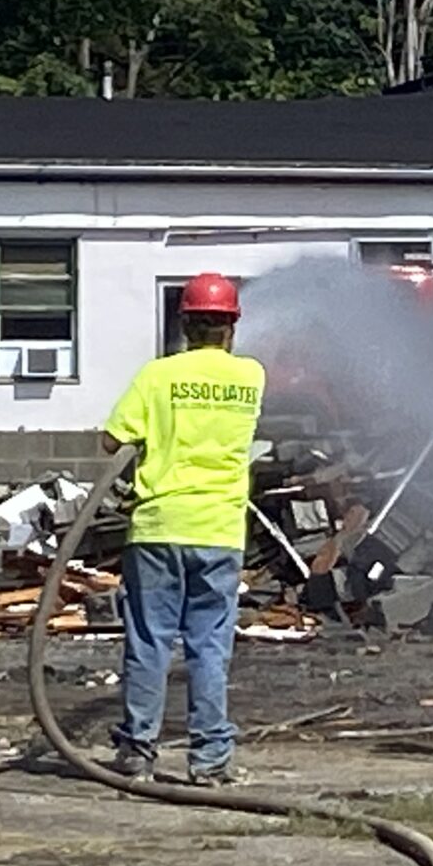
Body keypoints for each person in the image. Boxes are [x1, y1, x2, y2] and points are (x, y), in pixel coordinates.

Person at [101, 272, 265, 786]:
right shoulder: (251, 378)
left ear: (184, 323)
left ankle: (137, 752)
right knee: (210, 647)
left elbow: (112, 442)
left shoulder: (157, 376)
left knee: (149, 641)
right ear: (231, 328)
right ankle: (210, 761)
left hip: (157, 527)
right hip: (218, 529)